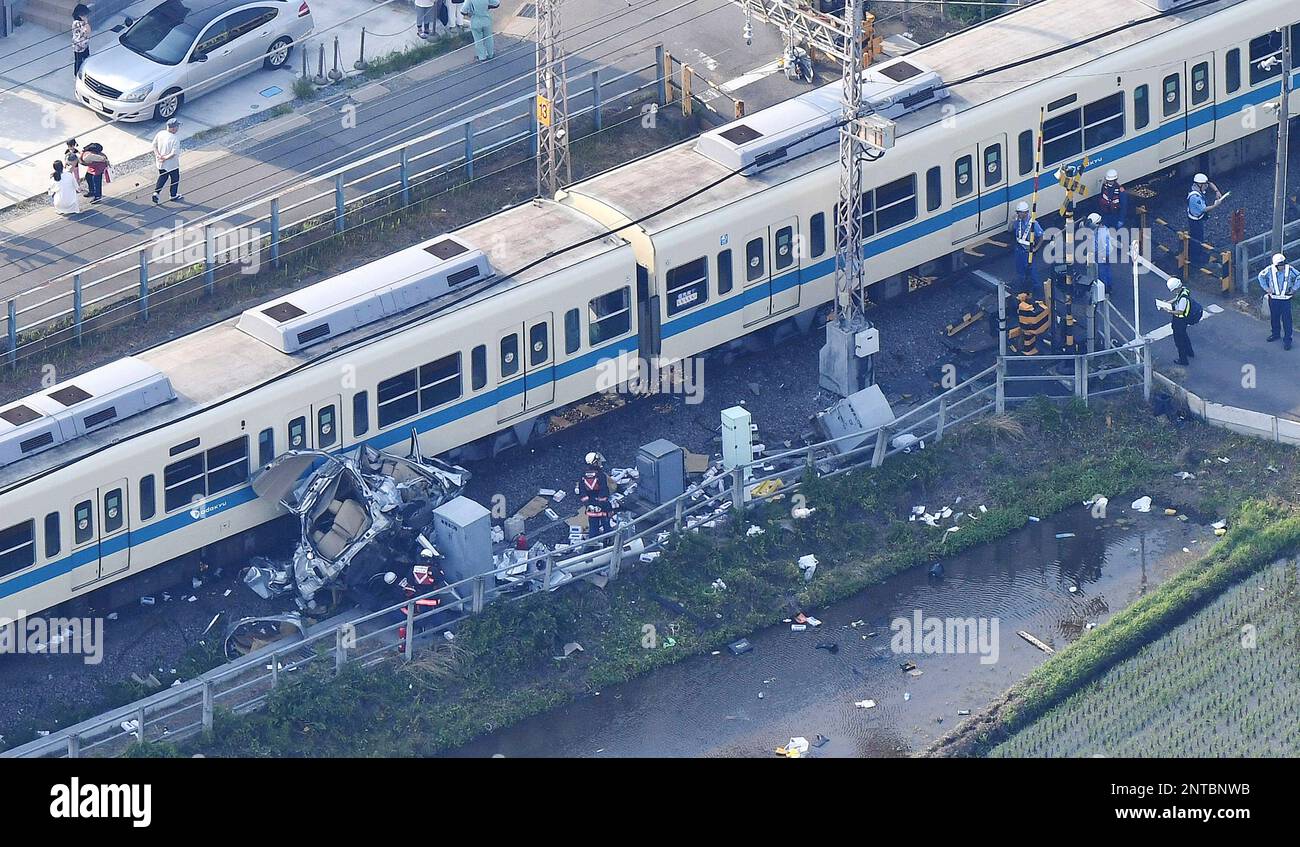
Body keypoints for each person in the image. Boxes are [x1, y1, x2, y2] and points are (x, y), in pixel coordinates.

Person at [1258, 252, 1299, 351]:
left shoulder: (1289, 269)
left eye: (1284, 264)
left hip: (1285, 299)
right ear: (1276, 265)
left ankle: (1287, 340)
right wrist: (1266, 288)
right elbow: (1260, 277)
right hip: (1274, 299)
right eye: (1281, 265)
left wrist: (1294, 289)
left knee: (1287, 320)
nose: (1283, 267)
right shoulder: (1269, 270)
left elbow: (1299, 277)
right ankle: (1275, 334)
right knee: (1274, 318)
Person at [1186, 172, 1222, 269]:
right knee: (1197, 237)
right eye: (1204, 185)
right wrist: (1216, 205)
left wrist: (1216, 191)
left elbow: (1210, 183)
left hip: (1197, 218)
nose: (1206, 186)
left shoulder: (1198, 188)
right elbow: (1204, 209)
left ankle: (1197, 251)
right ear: (1199, 185)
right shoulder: (1195, 197)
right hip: (1195, 220)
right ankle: (1196, 256)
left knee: (1198, 236)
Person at [575, 451, 612, 544]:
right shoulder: (601, 475)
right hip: (602, 507)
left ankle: (592, 546)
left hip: (591, 508)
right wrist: (604, 505)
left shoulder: (582, 475)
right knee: (606, 526)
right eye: (598, 461)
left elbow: (582, 492)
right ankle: (609, 543)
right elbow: (604, 490)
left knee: (593, 528)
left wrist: (588, 504)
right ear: (594, 462)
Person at [1011, 201, 1043, 299]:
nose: (1018, 214)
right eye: (1018, 212)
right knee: (1020, 271)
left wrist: (1036, 249)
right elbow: (1010, 229)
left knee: (1032, 272)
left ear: (1026, 212)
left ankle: (1038, 293)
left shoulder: (1033, 223)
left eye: (1020, 212)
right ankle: (1024, 290)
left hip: (1027, 252)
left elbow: (1041, 236)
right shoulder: (1018, 221)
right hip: (1019, 250)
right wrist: (1012, 221)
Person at [151, 118, 183, 204]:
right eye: (177, 126)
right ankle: (173, 195)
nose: (178, 128)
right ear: (173, 128)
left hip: (160, 163)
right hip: (172, 165)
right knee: (175, 179)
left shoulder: (160, 133)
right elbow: (173, 153)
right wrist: (165, 158)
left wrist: (158, 155)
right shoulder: (175, 139)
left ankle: (156, 193)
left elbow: (154, 145)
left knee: (163, 176)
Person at [1165, 277, 1195, 365]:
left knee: (1179, 340)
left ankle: (1183, 360)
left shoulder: (1183, 299)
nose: (1173, 291)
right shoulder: (1184, 290)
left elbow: (1180, 311)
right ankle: (1190, 352)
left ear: (1176, 288)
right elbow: (1176, 298)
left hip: (1179, 320)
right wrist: (1168, 303)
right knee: (1184, 336)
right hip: (1183, 320)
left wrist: (1169, 311)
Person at [1087, 212, 1113, 294]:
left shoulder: (1102, 233)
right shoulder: (1101, 229)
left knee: (1102, 272)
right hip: (1106, 253)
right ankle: (1108, 287)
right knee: (1107, 270)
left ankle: (1105, 289)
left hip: (1104, 254)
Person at [71, 5, 91, 79]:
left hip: (85, 44)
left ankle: (85, 71)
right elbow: (88, 32)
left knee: (86, 58)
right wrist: (86, 22)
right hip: (78, 46)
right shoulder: (77, 23)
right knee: (78, 61)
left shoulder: (82, 22)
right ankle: (76, 75)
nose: (86, 16)